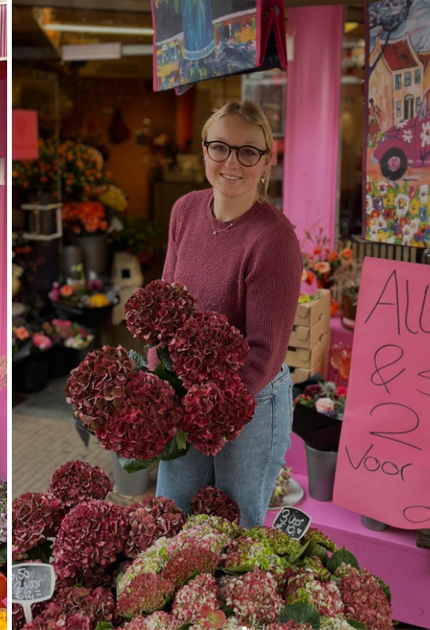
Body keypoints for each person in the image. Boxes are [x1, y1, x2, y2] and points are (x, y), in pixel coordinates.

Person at [154, 101, 302, 528]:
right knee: (171, 516)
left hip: (250, 403)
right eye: (220, 147)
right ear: (204, 151)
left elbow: (263, 352)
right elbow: (162, 309)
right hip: (187, 395)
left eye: (247, 152)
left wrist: (207, 413)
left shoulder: (273, 238)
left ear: (266, 160)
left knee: (238, 526)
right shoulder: (185, 211)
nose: (231, 162)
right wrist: (160, 390)